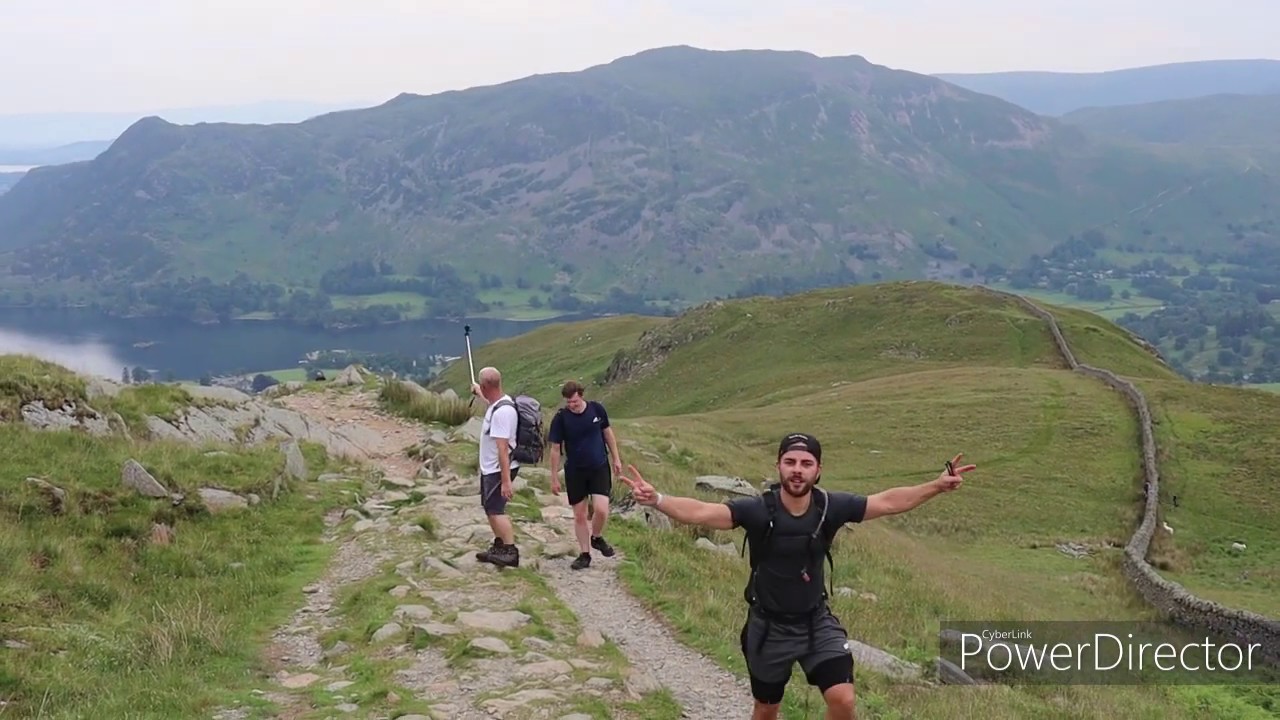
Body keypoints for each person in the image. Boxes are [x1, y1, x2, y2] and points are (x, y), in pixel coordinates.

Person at [618, 432, 975, 720]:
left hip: (817, 623)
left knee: (844, 700)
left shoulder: (830, 507)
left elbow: (887, 502)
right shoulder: (758, 510)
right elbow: (701, 512)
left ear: (818, 470)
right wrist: (658, 499)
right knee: (766, 709)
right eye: (790, 462)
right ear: (778, 466)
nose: (797, 470)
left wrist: (936, 486)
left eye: (806, 463)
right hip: (768, 628)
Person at [547, 380, 624, 570]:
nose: (572, 405)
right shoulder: (561, 418)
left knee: (601, 509)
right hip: (575, 471)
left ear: (581, 396)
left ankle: (596, 537)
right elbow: (555, 449)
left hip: (599, 467)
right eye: (568, 402)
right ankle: (584, 554)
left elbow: (608, 434)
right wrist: (554, 477)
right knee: (580, 515)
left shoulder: (596, 409)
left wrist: (616, 458)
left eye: (574, 401)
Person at [470, 366, 521, 568]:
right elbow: (489, 399)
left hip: (498, 469)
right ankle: (499, 546)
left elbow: (502, 449)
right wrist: (478, 391)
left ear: (485, 386)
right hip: (490, 468)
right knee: (489, 507)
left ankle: (511, 551)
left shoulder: (502, 413)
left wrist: (506, 482)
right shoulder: (498, 403)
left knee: (496, 510)